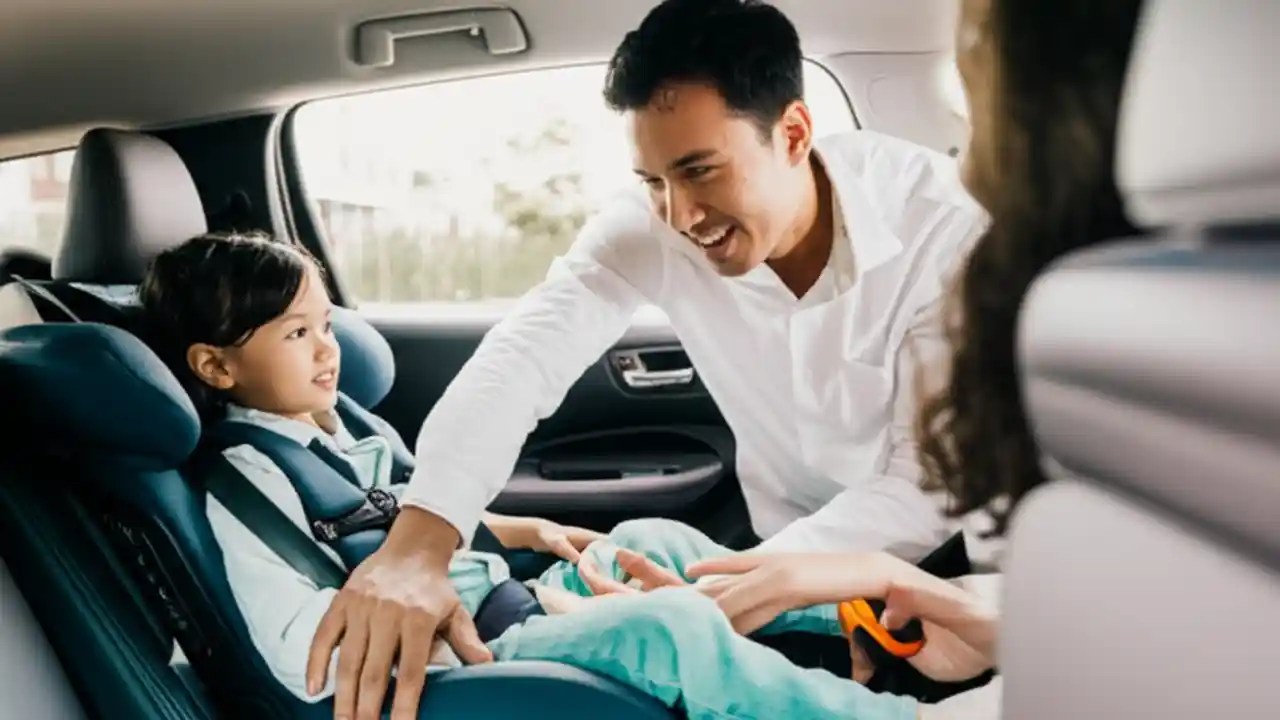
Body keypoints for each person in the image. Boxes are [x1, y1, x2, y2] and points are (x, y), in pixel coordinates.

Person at [316, 1, 989, 714]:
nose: (679, 216)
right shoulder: (650, 228)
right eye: (653, 181)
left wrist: (732, 591)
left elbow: (926, 484)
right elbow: (521, 359)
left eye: (701, 171)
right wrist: (418, 547)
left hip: (935, 577)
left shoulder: (940, 231)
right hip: (776, 549)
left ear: (793, 133)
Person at [140, 231, 922, 720]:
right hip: (477, 652)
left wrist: (525, 531)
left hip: (509, 600)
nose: (326, 349)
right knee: (668, 627)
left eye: (326, 325)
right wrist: (436, 629)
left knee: (652, 541)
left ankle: (879, 626)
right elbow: (296, 653)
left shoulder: (344, 422)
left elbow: (408, 516)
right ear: (216, 365)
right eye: (296, 333)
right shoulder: (246, 483)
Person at [644, 0, 1148, 717]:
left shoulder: (1086, 321)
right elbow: (1143, 606)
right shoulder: (1077, 309)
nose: (957, 159)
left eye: (973, 68)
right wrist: (982, 615)